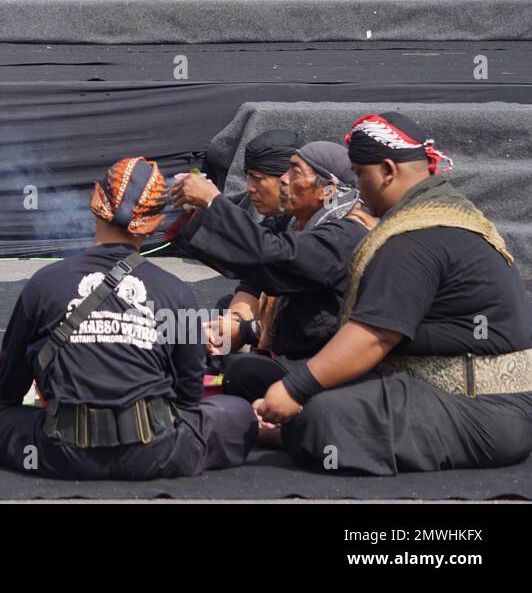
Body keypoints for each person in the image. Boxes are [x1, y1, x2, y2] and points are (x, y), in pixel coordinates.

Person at [254, 112, 532, 475]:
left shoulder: (416, 236)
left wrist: (294, 390)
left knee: (324, 417)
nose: (356, 186)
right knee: (263, 376)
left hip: (486, 412)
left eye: (359, 174)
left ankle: (283, 432)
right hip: (457, 394)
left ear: (387, 171)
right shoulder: (440, 212)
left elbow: (372, 338)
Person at [0, 157, 257, 480]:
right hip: (154, 452)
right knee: (239, 414)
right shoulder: (177, 293)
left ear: (96, 200)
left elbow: (8, 391)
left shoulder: (43, 285)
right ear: (154, 223)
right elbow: (188, 401)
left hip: (62, 452)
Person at [173, 141, 375, 401]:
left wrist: (213, 201)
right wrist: (240, 327)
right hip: (293, 337)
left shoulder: (345, 235)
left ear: (328, 190)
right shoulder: (295, 222)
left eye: (294, 173)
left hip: (319, 362)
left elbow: (271, 256)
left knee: (240, 372)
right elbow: (253, 268)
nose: (284, 180)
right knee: (222, 314)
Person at [174, 129, 302, 369]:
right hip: (269, 330)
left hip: (305, 346)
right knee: (226, 308)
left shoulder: (321, 229)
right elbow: (252, 279)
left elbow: (263, 252)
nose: (250, 187)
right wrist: (231, 325)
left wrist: (214, 202)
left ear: (287, 179)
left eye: (258, 178)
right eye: (248, 177)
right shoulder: (281, 223)